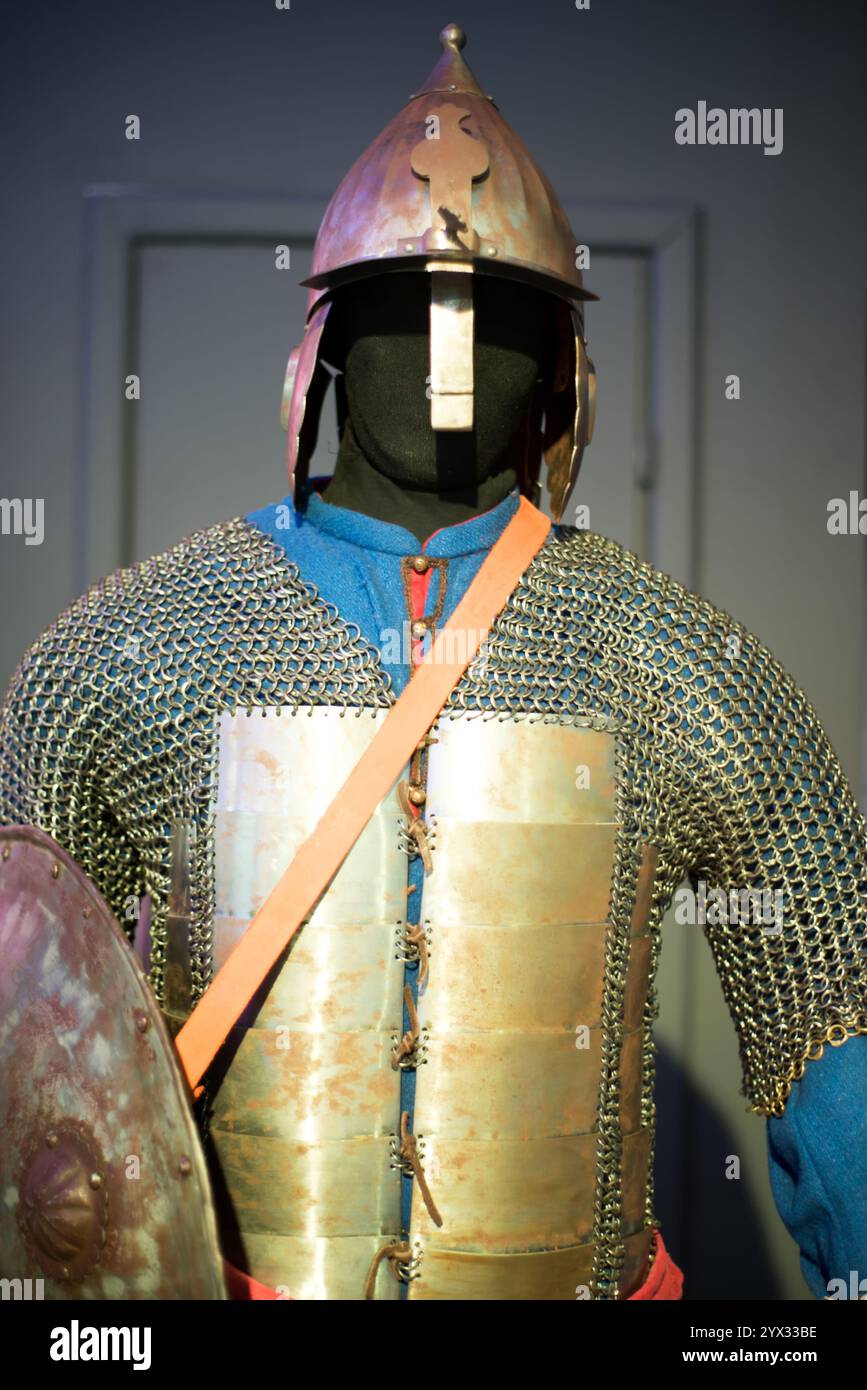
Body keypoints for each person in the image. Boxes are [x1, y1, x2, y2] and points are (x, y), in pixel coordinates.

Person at [1, 23, 865, 1302]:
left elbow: (833, 1056)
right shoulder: (123, 656)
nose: (450, 355)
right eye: (409, 310)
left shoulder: (686, 671)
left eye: (494, 317)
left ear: (559, 371)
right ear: (328, 349)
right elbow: (30, 1080)